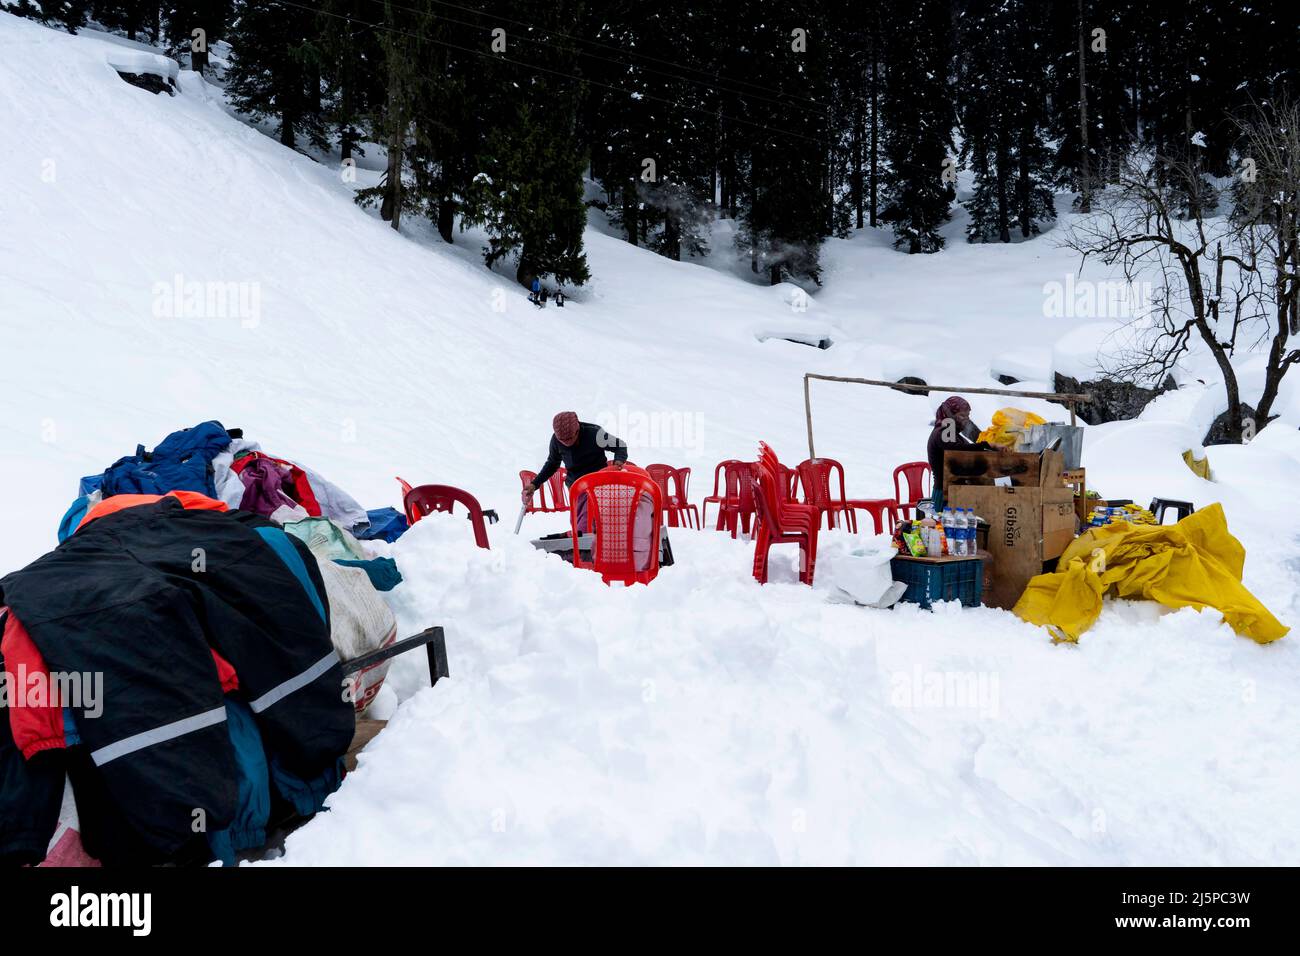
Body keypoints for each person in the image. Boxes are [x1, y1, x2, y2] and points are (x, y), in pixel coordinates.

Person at [523, 412, 628, 532]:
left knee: (593, 514)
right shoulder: (556, 441)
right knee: (579, 517)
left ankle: (593, 537)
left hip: (598, 481)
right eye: (562, 440)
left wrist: (619, 460)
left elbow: (620, 446)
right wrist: (534, 484)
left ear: (577, 429)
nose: (566, 442)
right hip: (575, 484)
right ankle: (580, 539)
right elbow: (552, 464)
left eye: (570, 438)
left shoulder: (594, 433)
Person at [927, 396, 993, 511]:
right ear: (949, 414)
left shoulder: (951, 432)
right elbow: (958, 451)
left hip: (951, 491)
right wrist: (986, 445)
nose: (966, 420)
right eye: (962, 416)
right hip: (944, 494)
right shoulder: (943, 432)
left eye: (968, 416)